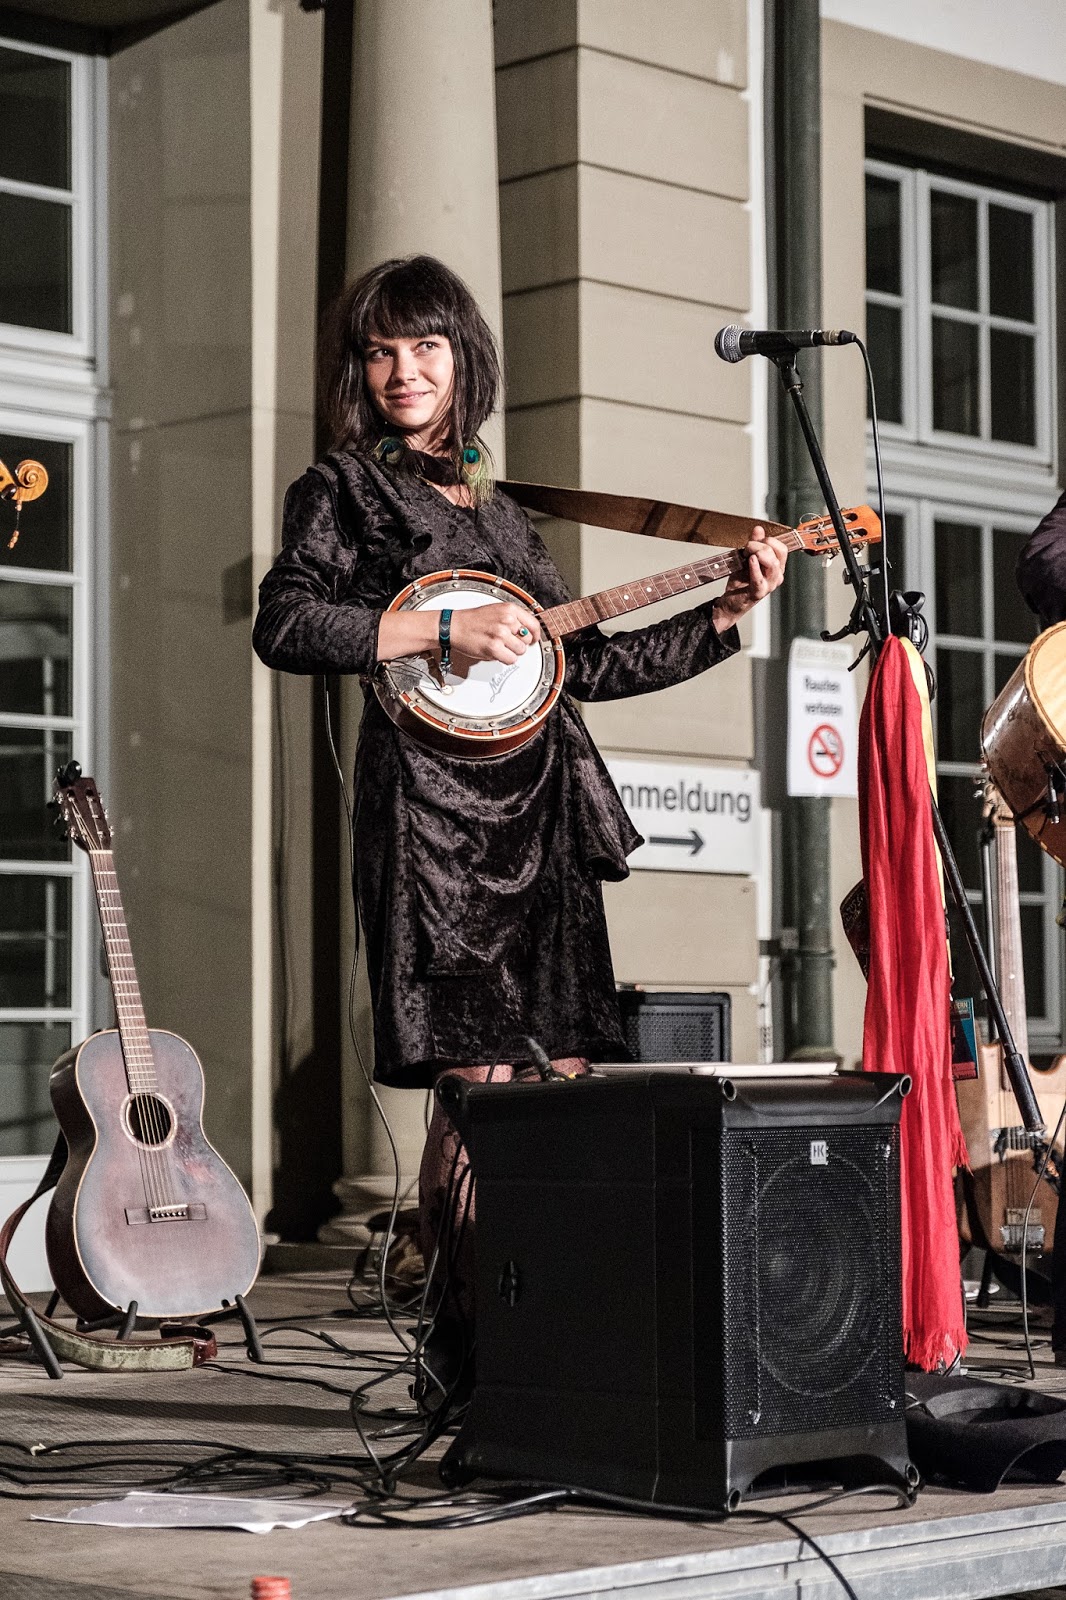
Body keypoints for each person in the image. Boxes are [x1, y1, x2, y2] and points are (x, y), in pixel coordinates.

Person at [252, 254, 787, 1391]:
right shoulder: (342, 488)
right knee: (476, 1084)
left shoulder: (499, 512)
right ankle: (460, 1358)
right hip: (433, 824)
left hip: (538, 815)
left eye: (426, 347)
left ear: (465, 359)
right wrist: (429, 637)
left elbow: (583, 664)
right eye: (381, 351)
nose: (403, 370)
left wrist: (727, 616)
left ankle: (541, 1350)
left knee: (554, 1076)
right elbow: (286, 620)